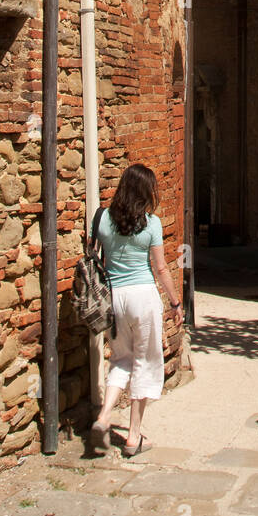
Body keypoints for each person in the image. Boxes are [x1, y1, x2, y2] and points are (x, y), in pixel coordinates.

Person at [89, 164, 182, 457]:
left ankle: (104, 417)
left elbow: (93, 257)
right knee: (146, 362)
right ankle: (132, 436)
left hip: (115, 298)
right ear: (146, 192)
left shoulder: (102, 218)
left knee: (121, 360)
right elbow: (161, 268)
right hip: (143, 298)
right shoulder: (151, 224)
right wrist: (176, 302)